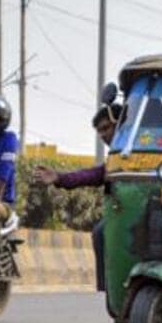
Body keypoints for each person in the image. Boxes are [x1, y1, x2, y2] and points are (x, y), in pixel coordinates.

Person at [32, 102, 123, 291]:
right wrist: (60, 178)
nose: (103, 135)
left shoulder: (151, 144)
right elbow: (92, 175)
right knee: (100, 232)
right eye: (100, 131)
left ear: (121, 123)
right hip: (125, 211)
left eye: (106, 128)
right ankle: (106, 290)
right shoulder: (116, 158)